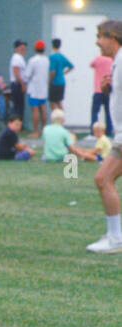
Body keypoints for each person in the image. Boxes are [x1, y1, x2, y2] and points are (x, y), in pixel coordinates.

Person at [87, 20, 122, 253]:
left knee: (103, 178)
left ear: (113, 37)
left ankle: (116, 238)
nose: (97, 42)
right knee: (104, 179)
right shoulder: (116, 63)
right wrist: (109, 90)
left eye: (100, 36)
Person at [25, 40, 50, 139]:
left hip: (34, 88)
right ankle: (43, 130)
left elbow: (27, 74)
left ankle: (35, 131)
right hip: (43, 88)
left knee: (35, 110)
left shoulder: (33, 60)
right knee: (43, 109)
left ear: (35, 49)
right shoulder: (46, 60)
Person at [90, 47, 114, 138]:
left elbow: (91, 64)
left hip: (98, 90)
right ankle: (109, 131)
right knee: (108, 112)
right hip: (108, 90)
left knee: (95, 112)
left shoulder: (98, 59)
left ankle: (93, 132)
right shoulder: (111, 59)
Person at [48, 38, 73, 111]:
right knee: (59, 102)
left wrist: (49, 82)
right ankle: (61, 118)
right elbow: (71, 66)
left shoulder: (52, 57)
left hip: (54, 82)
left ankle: (56, 118)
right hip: (62, 82)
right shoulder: (61, 56)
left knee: (52, 103)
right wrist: (63, 73)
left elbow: (52, 71)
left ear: (52, 46)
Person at [9, 40, 27, 123]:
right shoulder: (16, 58)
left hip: (19, 84)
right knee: (17, 106)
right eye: (21, 47)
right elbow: (16, 73)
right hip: (17, 84)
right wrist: (22, 84)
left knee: (20, 105)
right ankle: (15, 123)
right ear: (16, 48)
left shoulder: (20, 58)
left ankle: (18, 124)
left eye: (24, 47)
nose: (23, 49)